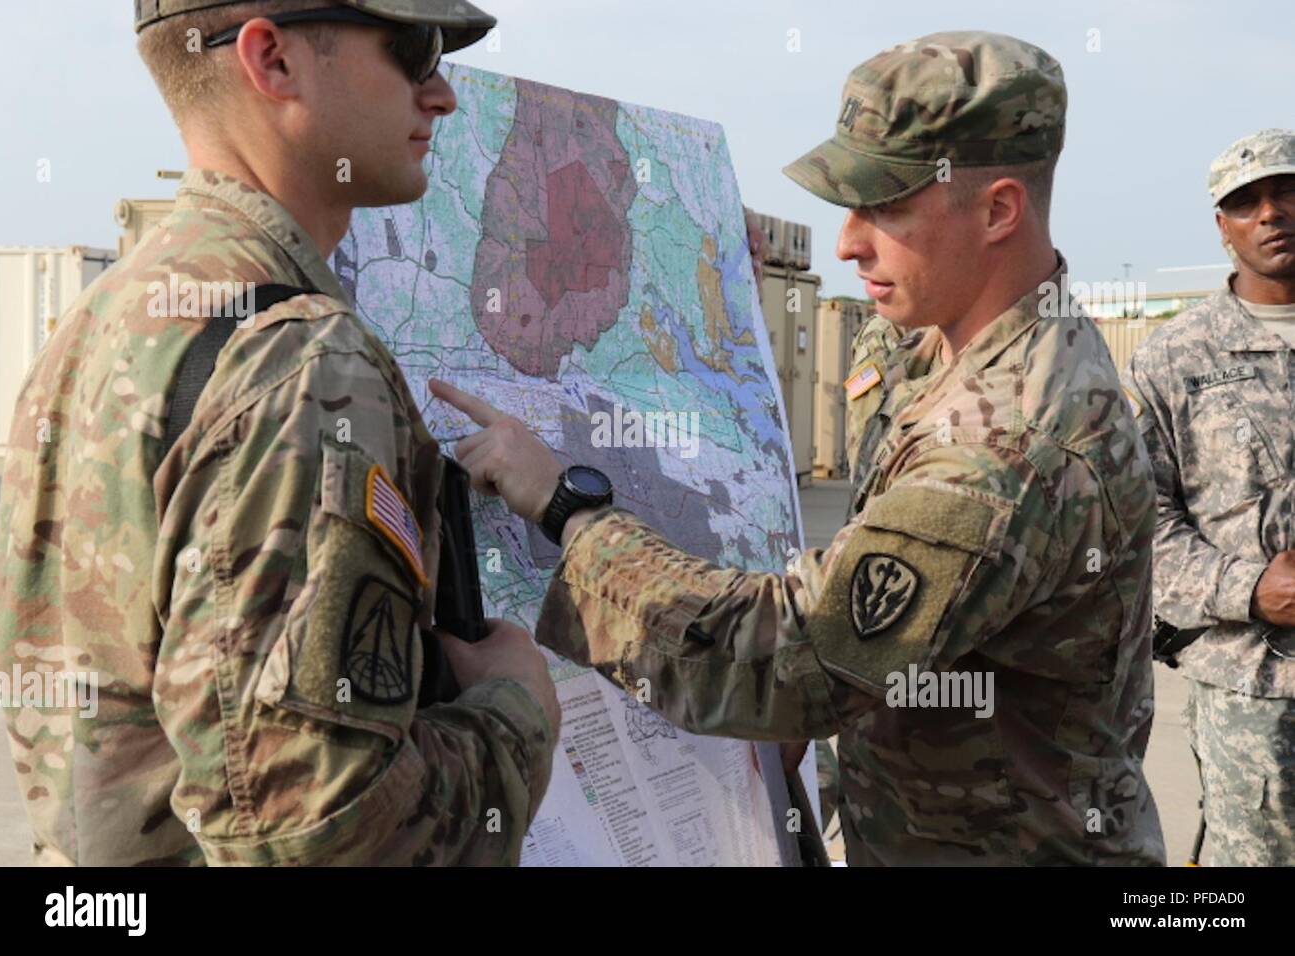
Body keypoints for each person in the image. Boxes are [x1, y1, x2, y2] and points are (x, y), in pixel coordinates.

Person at [431, 31, 1166, 865]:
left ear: (999, 209)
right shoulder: (952, 340)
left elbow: (792, 659)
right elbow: (886, 385)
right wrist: (702, 274)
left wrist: (567, 509)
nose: (850, 242)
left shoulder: (1012, 443)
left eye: (885, 206)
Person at [0, 0, 559, 866]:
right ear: (273, 61)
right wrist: (514, 715)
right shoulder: (306, 367)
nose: (441, 93)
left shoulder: (100, 323)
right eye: (415, 50)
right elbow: (320, 838)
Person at [1125, 129, 1295, 866]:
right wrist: (1250, 588)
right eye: (1247, 202)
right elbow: (1138, 523)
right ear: (1222, 227)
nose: (1271, 214)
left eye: (1288, 195)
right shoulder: (1175, 355)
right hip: (1250, 687)